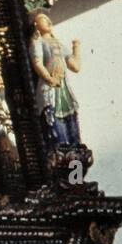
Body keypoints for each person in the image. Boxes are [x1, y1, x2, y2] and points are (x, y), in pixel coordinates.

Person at [28, 11, 81, 148]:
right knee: (52, 114)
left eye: (48, 19)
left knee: (69, 113)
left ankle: (74, 143)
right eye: (43, 19)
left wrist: (76, 48)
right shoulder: (38, 42)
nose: (49, 21)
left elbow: (75, 66)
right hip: (50, 85)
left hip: (62, 85)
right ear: (36, 25)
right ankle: (60, 145)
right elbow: (38, 63)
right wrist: (49, 79)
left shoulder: (57, 43)